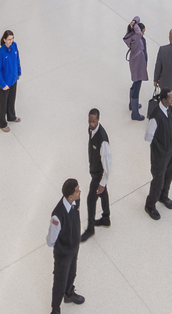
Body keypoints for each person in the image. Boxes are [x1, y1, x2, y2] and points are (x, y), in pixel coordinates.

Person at [46, 179, 86, 311]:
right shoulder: (57, 216)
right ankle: (55, 309)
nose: (79, 191)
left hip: (73, 248)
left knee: (72, 273)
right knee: (60, 282)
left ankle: (68, 294)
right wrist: (63, 246)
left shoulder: (75, 201)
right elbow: (51, 240)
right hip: (63, 254)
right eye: (77, 190)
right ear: (70, 196)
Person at [145, 89, 172, 219]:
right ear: (163, 100)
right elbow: (148, 136)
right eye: (170, 97)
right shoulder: (155, 116)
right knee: (158, 180)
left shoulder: (168, 109)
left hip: (171, 151)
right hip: (160, 155)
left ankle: (163, 196)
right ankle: (150, 205)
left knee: (169, 175)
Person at [86, 110, 113, 233]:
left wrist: (102, 183)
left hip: (99, 174)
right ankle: (106, 218)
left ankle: (90, 228)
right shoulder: (91, 130)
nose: (91, 124)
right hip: (95, 169)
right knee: (103, 194)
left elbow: (107, 163)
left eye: (93, 121)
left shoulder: (102, 140)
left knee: (91, 200)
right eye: (89, 121)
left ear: (98, 119)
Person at [124, 17, 149, 120]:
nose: (143, 32)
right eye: (143, 31)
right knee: (137, 87)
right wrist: (135, 25)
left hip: (135, 64)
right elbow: (138, 32)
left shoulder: (132, 37)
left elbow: (137, 17)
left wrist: (134, 22)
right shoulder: (137, 38)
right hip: (139, 66)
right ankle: (135, 113)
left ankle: (131, 104)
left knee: (135, 83)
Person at [0, 30, 23, 130]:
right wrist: (3, 84)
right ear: (4, 40)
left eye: (12, 39)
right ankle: (2, 124)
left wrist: (19, 72)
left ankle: (11, 116)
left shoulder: (14, 46)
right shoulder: (1, 53)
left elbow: (17, 59)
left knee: (12, 99)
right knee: (3, 104)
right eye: (8, 39)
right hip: (5, 83)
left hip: (13, 79)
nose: (10, 41)